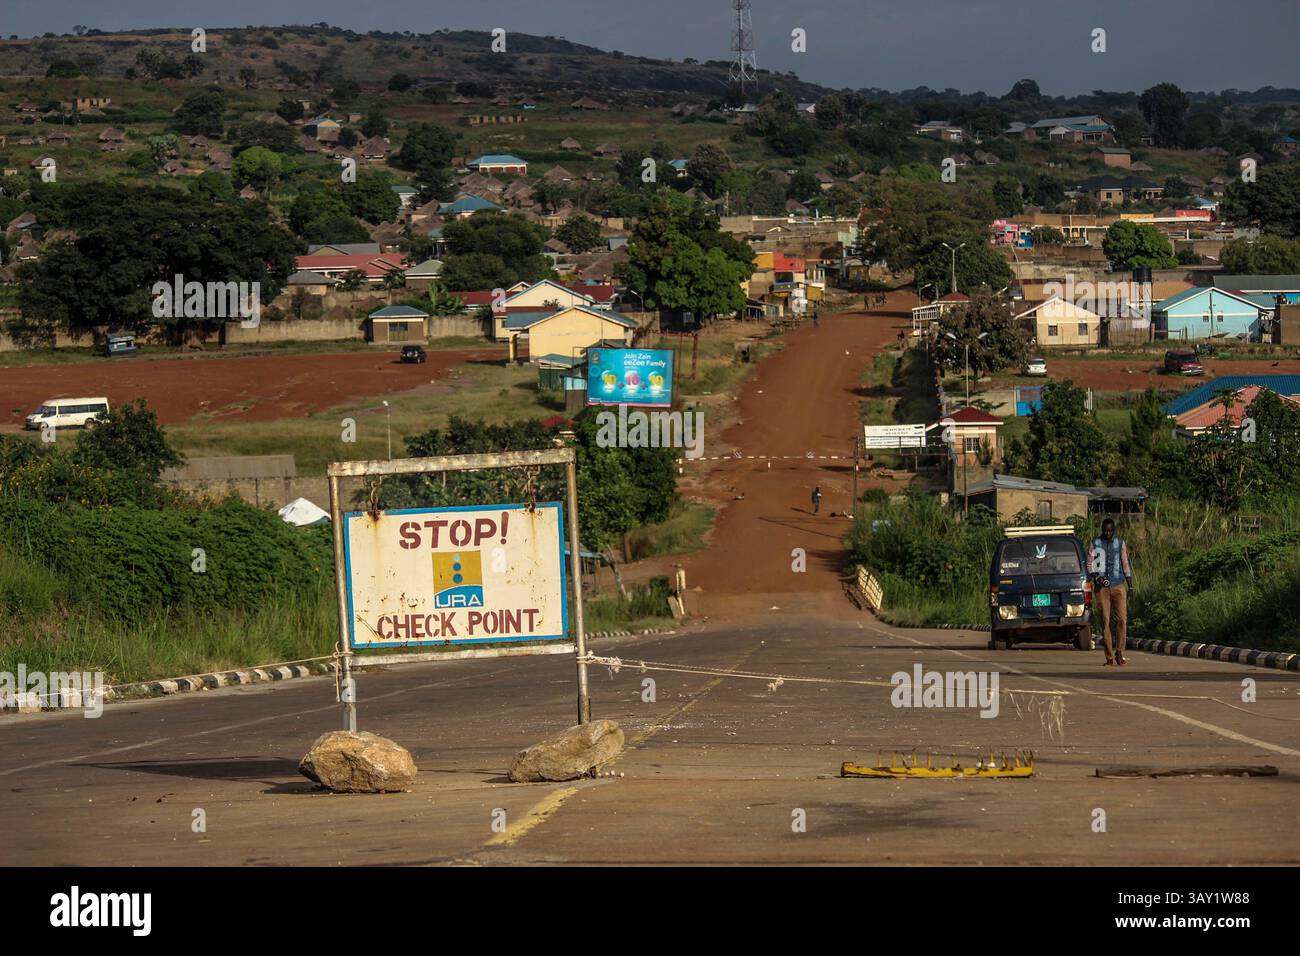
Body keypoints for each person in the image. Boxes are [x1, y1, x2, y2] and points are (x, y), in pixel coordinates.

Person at [1088, 518, 1133, 666]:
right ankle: (1109, 657)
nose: (1108, 533)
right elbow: (1090, 566)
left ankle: (1119, 651)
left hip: (1118, 584)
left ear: (1114, 530)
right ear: (1102, 529)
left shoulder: (1120, 543)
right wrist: (1098, 578)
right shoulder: (1095, 543)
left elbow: (1125, 564)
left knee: (1122, 619)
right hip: (1102, 589)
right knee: (1105, 621)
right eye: (1105, 530)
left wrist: (1130, 586)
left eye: (1110, 530)